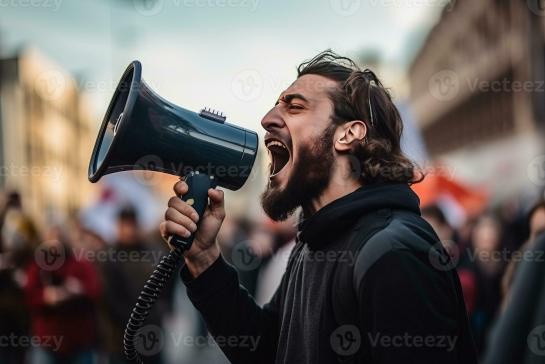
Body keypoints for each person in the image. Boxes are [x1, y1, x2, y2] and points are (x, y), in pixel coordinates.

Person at [160, 50, 477, 363]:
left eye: (295, 107)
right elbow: (268, 350)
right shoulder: (312, 244)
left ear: (348, 134)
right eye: (276, 106)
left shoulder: (394, 253)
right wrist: (204, 259)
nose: (268, 119)